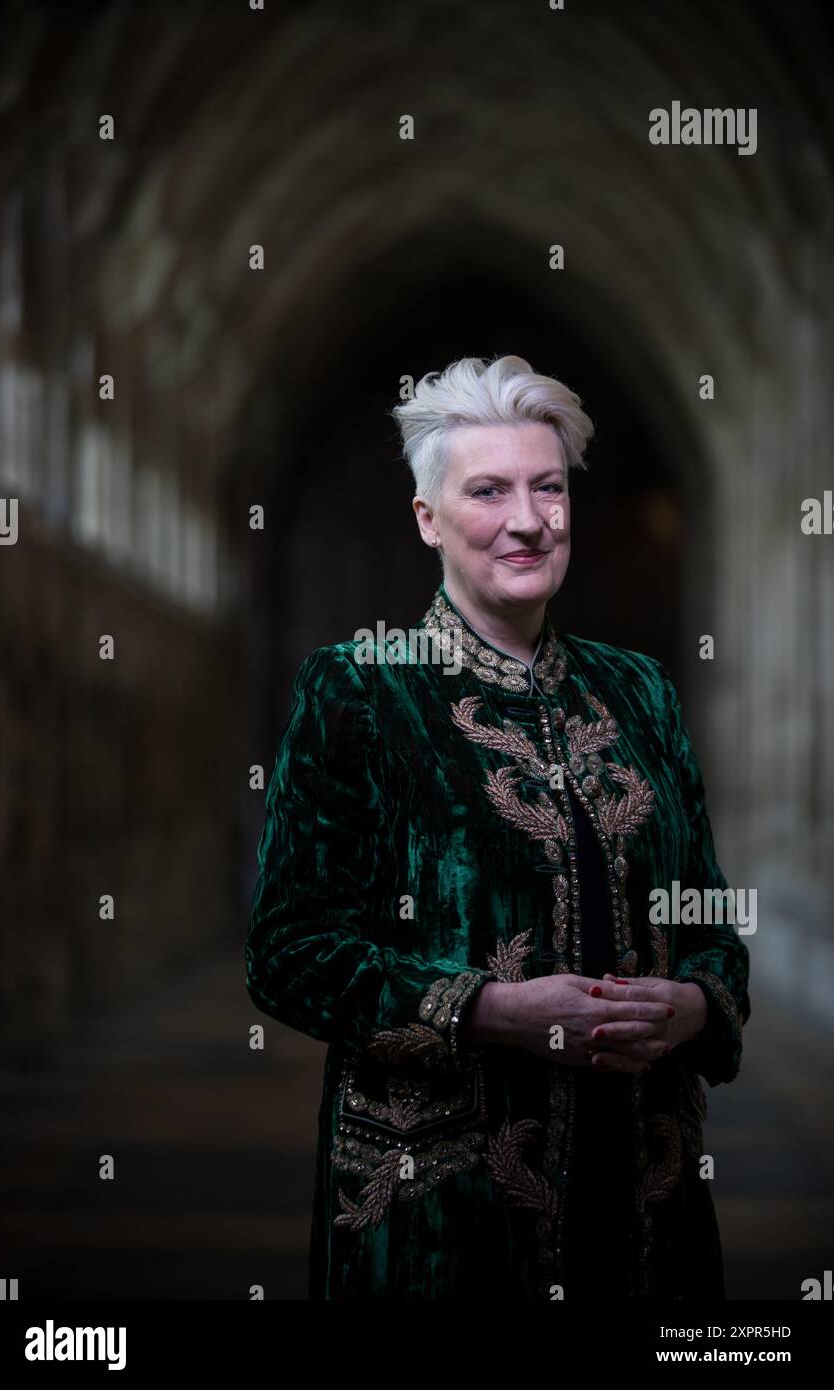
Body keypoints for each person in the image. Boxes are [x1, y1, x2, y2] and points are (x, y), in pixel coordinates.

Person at [245, 354, 750, 1301]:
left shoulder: (639, 691)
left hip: (646, 1193)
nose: (528, 520)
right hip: (440, 1212)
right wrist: (491, 1010)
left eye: (549, 488)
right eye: (489, 491)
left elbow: (710, 919)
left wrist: (695, 1005)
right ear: (428, 519)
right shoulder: (356, 688)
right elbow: (288, 952)